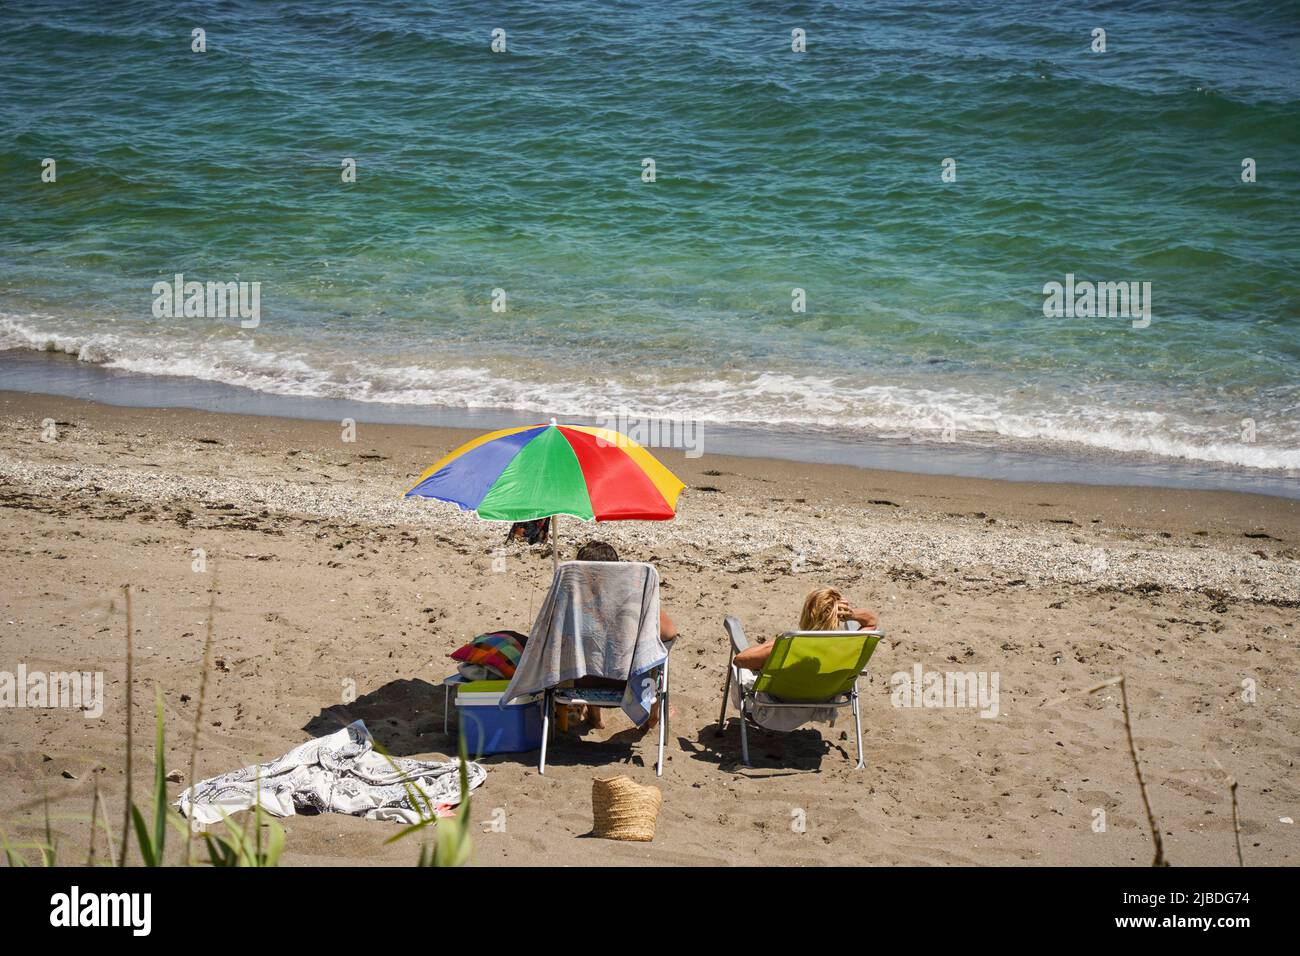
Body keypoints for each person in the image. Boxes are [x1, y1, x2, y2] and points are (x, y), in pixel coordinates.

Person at [570, 540, 678, 729]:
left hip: (579, 686)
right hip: (629, 687)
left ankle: (595, 717)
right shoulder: (633, 603)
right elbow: (669, 633)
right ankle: (651, 718)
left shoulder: (569, 605)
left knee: (591, 652)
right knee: (656, 655)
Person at [733, 586, 877, 672]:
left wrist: (774, 643)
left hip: (775, 710)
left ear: (806, 614)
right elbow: (871, 622)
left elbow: (740, 660)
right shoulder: (846, 646)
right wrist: (850, 614)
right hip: (824, 702)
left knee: (739, 673)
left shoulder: (788, 646)